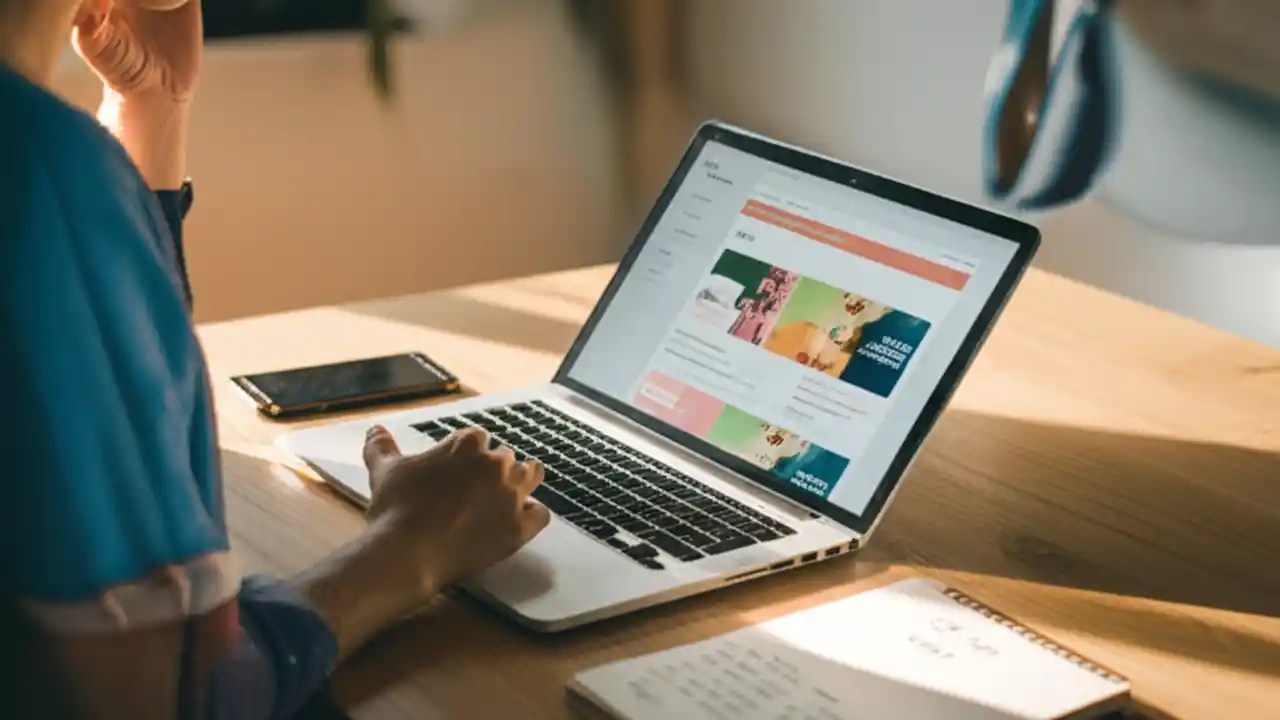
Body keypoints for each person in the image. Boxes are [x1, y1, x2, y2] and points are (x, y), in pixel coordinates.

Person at [0, 1, 550, 717]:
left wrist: (151, 112)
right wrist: (411, 545)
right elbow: (183, 693)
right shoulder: (41, 172)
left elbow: (88, 380)